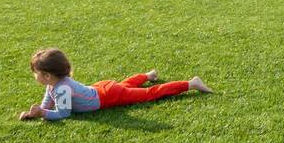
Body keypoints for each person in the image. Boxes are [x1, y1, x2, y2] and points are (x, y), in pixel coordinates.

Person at [19, 48, 211, 122]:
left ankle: (191, 83)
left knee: (148, 94)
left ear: (46, 75)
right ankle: (148, 74)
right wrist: (33, 113)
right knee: (126, 85)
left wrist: (43, 114)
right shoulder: (53, 85)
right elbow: (47, 104)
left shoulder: (61, 88)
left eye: (35, 73)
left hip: (107, 96)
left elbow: (63, 114)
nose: (34, 76)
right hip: (102, 88)